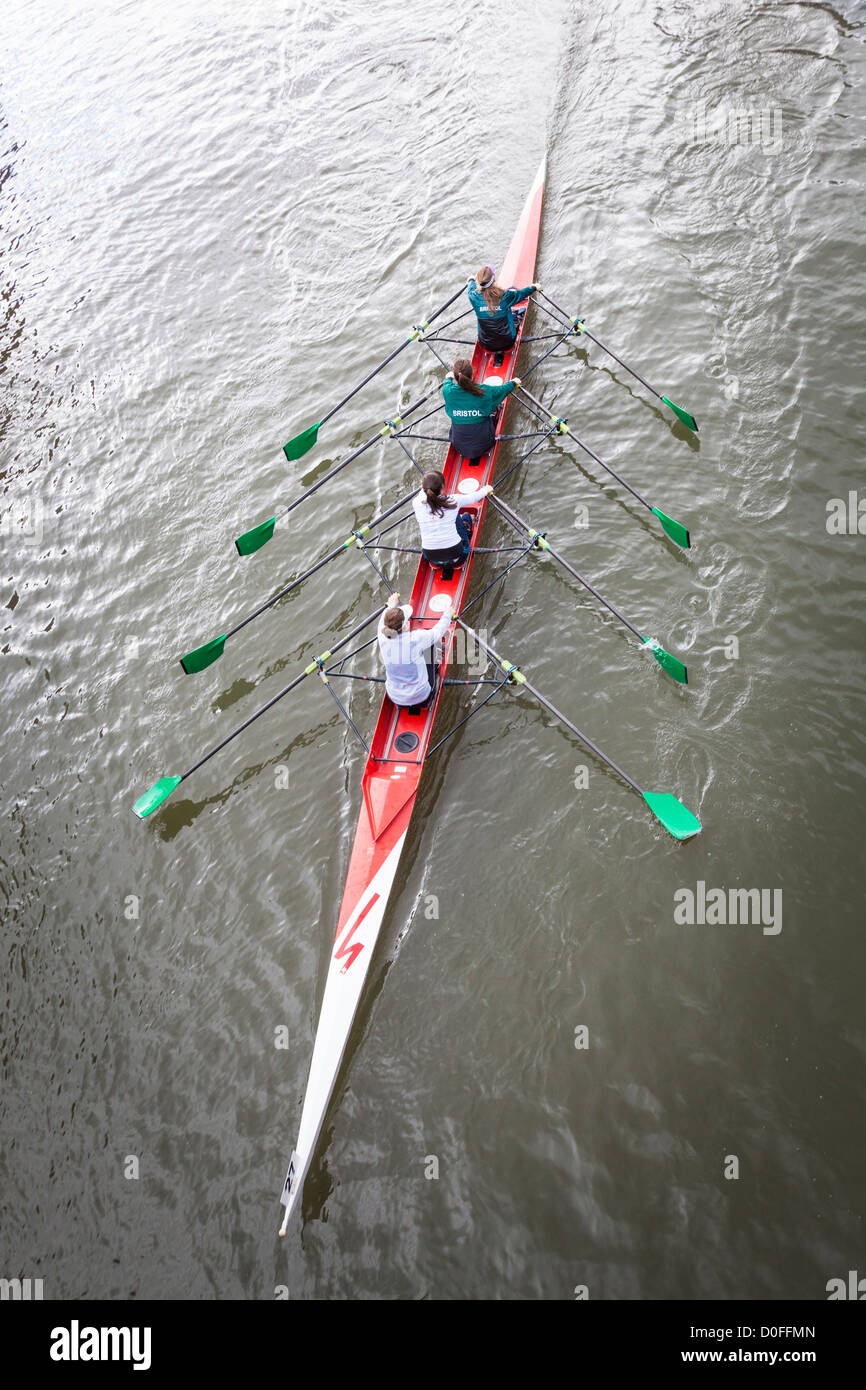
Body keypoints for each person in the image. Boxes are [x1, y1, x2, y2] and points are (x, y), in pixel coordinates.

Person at [377, 593, 454, 713]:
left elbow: (385, 614)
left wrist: (391, 604)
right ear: (407, 625)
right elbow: (437, 632)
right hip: (422, 698)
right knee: (432, 643)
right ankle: (436, 667)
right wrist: (447, 615)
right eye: (407, 620)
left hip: (395, 698)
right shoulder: (416, 638)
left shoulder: (381, 633)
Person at [441, 357, 520, 466]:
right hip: (485, 443)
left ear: (455, 377)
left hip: (458, 446)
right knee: (492, 403)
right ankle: (492, 414)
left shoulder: (447, 391)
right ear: (472, 374)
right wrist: (513, 383)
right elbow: (502, 390)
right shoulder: (484, 390)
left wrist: (448, 378)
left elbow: (446, 383)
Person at [412, 470, 491, 575]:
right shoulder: (453, 501)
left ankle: (440, 562)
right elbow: (474, 498)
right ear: (443, 488)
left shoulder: (416, 503)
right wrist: (486, 489)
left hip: (431, 558)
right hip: (459, 556)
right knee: (464, 515)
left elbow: (423, 494)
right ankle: (467, 529)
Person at [467, 265, 541, 365]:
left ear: (479, 281)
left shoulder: (473, 296)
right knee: (511, 306)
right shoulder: (505, 295)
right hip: (508, 342)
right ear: (493, 279)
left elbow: (470, 286)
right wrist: (534, 287)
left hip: (485, 344)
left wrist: (471, 280)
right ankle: (516, 316)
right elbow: (522, 293)